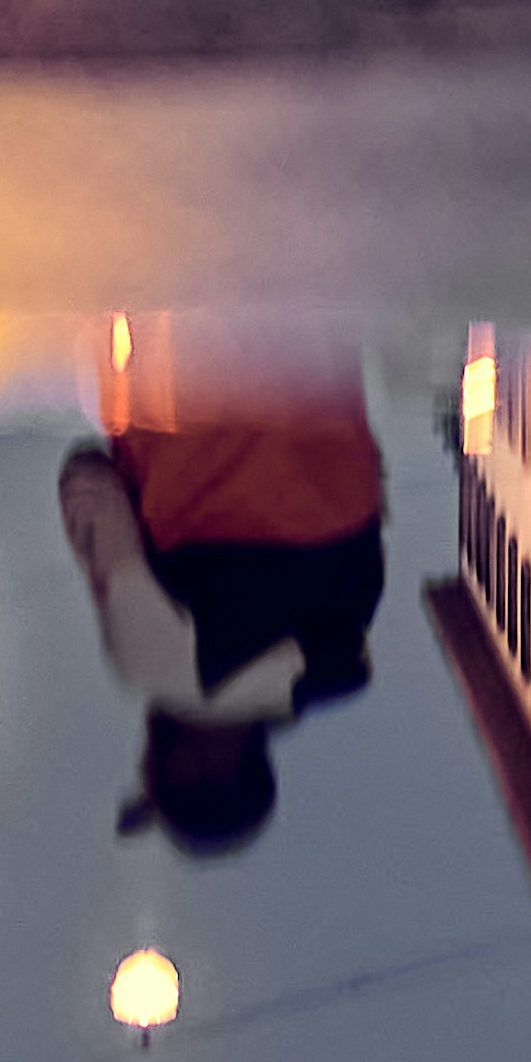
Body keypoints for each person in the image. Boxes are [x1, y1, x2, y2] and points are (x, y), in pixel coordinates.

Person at [55, 334, 387, 855]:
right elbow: (89, 484)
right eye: (154, 775)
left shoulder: (343, 639)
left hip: (317, 343)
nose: (142, 759)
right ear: (201, 771)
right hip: (185, 361)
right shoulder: (157, 667)